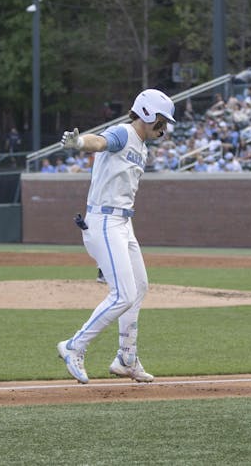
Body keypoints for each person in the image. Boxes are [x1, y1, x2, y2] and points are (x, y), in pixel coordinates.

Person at [56, 88, 175, 384]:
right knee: (122, 294)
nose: (163, 128)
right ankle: (74, 346)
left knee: (139, 287)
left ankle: (126, 358)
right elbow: (101, 142)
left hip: (122, 224)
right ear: (146, 113)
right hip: (105, 221)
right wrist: (80, 142)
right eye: (161, 121)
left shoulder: (142, 146)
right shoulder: (124, 132)